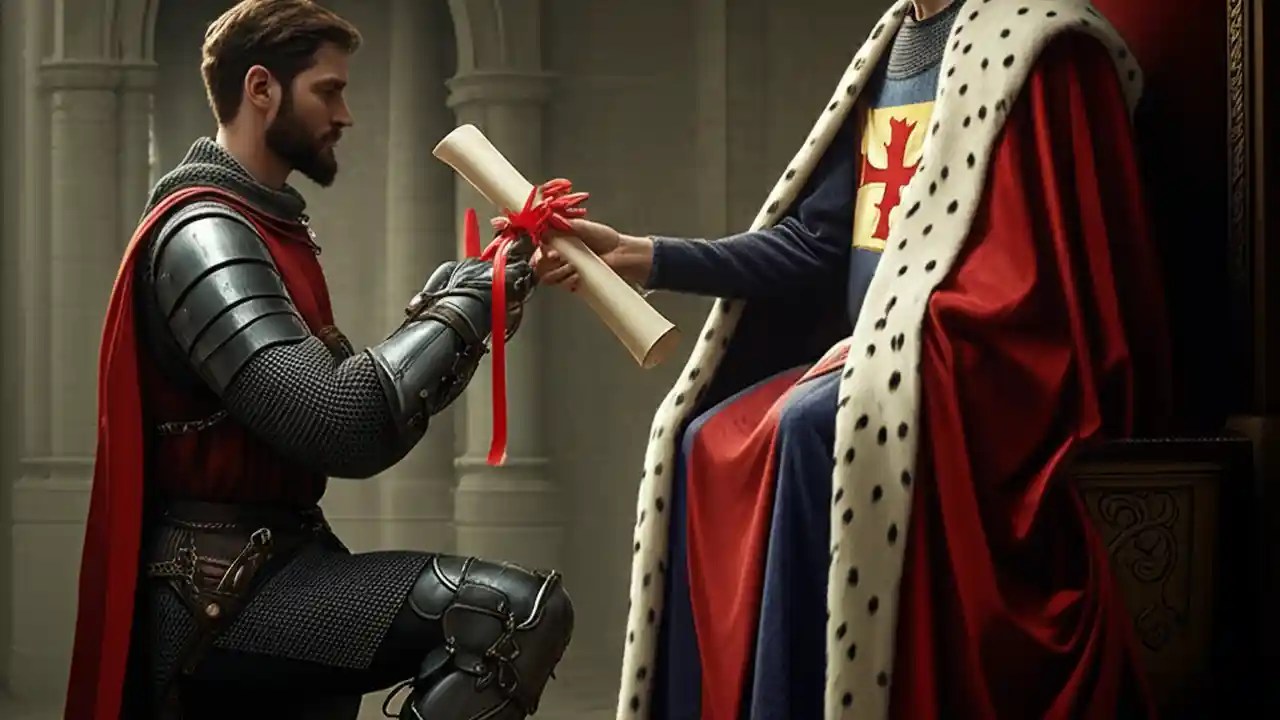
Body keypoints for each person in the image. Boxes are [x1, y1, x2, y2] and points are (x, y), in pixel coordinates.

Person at [533, 0, 1169, 718]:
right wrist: (643, 256)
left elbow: (1032, 280)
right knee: (699, 438)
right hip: (879, 360)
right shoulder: (895, 44)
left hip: (983, 373)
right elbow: (816, 243)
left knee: (808, 427)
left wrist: (895, 339)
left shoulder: (1036, 46)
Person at [64, 2, 573, 718]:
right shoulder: (205, 235)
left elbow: (364, 421)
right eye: (328, 91)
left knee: (513, 612)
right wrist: (463, 307)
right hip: (218, 590)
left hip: (271, 564)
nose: (344, 114)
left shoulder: (259, 224)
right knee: (509, 616)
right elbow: (339, 424)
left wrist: (473, 304)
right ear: (261, 88)